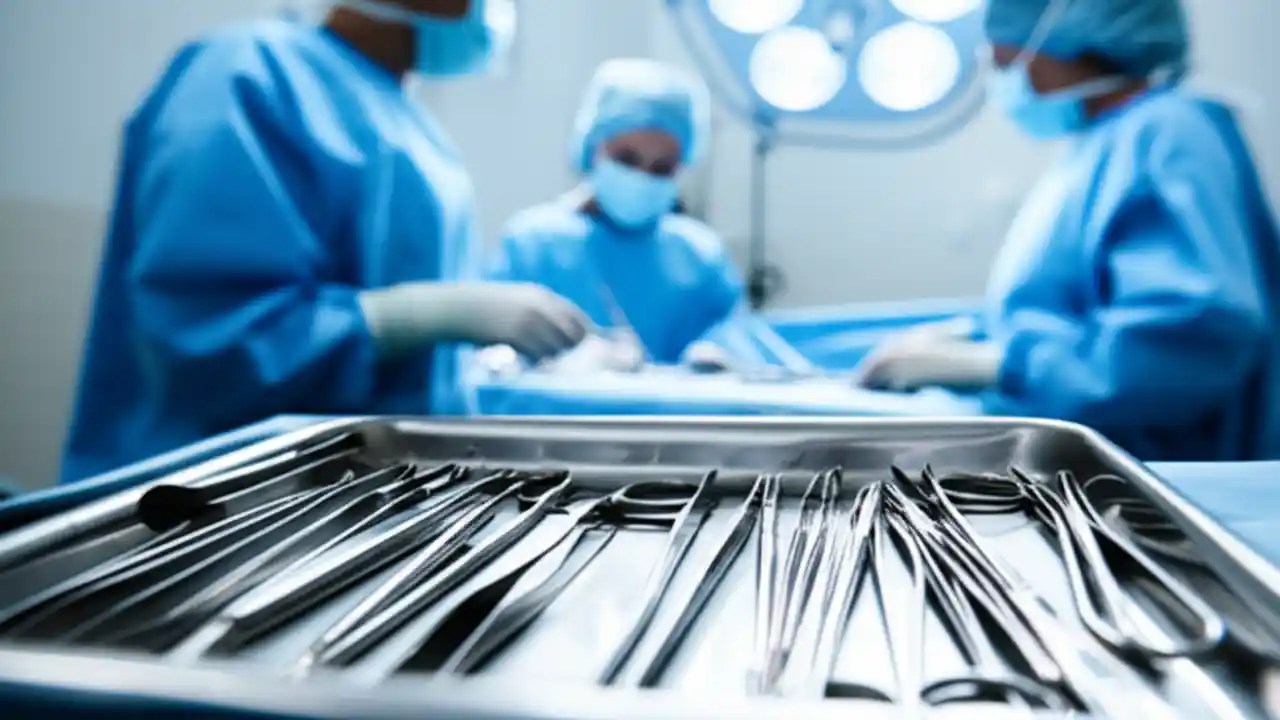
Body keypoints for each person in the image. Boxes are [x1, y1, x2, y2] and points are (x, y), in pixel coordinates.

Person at [61, 0, 590, 482]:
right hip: (215, 507)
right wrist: (415, 317)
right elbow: (209, 341)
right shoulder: (247, 70)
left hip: (364, 497)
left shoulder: (412, 123)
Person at [859, 0, 1280, 461]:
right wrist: (970, 345)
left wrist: (1002, 365)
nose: (994, 63)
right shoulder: (1105, 141)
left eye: (1006, 51)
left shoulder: (1168, 134)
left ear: (1071, 33)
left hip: (1158, 473)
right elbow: (1062, 305)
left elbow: (1188, 342)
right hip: (1093, 453)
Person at [489, 59, 797, 369]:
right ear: (593, 145)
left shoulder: (699, 256)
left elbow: (737, 340)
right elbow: (489, 354)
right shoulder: (534, 243)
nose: (641, 177)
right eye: (626, 158)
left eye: (661, 168)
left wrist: (717, 360)